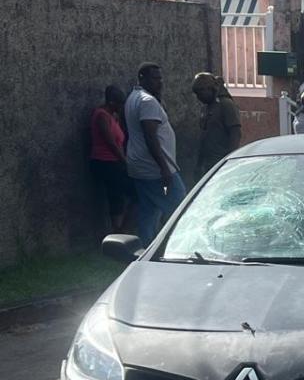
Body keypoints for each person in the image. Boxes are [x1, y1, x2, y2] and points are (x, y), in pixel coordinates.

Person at [125, 63, 186, 247]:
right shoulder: (147, 102)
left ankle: (146, 248)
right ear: (142, 78)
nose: (160, 82)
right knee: (180, 205)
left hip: (140, 166)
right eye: (155, 78)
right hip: (155, 170)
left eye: (160, 78)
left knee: (149, 209)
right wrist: (164, 168)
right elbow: (150, 137)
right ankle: (180, 247)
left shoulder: (133, 98)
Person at [90, 85, 131, 232]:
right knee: (117, 196)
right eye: (120, 103)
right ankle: (118, 231)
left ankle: (122, 229)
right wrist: (125, 161)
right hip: (105, 162)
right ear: (112, 102)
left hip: (115, 161)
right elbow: (111, 143)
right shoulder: (101, 115)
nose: (122, 107)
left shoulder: (114, 116)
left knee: (124, 195)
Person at [193, 73, 242, 177]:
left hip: (221, 162)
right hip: (208, 163)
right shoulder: (206, 108)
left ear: (210, 88)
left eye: (201, 91)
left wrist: (230, 159)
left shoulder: (226, 105)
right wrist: (199, 164)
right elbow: (203, 137)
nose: (199, 97)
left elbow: (235, 132)